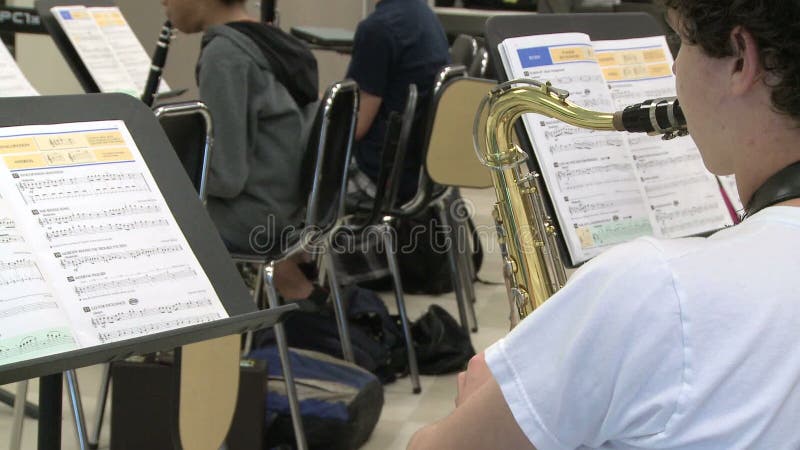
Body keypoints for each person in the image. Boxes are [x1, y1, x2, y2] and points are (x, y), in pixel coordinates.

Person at [408, 0, 800, 448]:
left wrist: (493, 399)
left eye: (681, 43)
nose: (674, 68)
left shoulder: (649, 287)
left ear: (739, 59)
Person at [161, 0, 322, 300]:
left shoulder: (224, 55)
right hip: (288, 208)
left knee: (149, 223)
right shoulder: (269, 40)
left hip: (254, 217)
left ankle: (192, 336)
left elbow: (226, 177)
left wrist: (167, 167)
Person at [346, 0, 450, 204]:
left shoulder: (377, 29)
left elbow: (355, 127)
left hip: (380, 176)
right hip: (420, 173)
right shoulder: (425, 16)